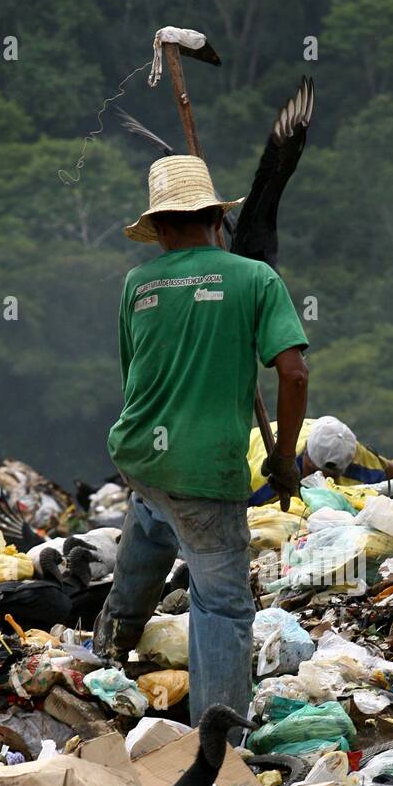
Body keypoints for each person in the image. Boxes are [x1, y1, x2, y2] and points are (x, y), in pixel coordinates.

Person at [93, 154, 309, 724]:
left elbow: (133, 375)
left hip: (140, 450)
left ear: (160, 229)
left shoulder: (137, 284)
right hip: (205, 472)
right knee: (221, 606)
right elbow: (294, 373)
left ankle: (111, 641)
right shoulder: (256, 278)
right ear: (217, 218)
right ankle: (218, 745)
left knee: (154, 515)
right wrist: (284, 459)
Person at [248, 415, 393, 505]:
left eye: (331, 477)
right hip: (247, 450)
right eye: (315, 472)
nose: (322, 481)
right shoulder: (266, 479)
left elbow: (390, 470)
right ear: (306, 454)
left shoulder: (348, 448)